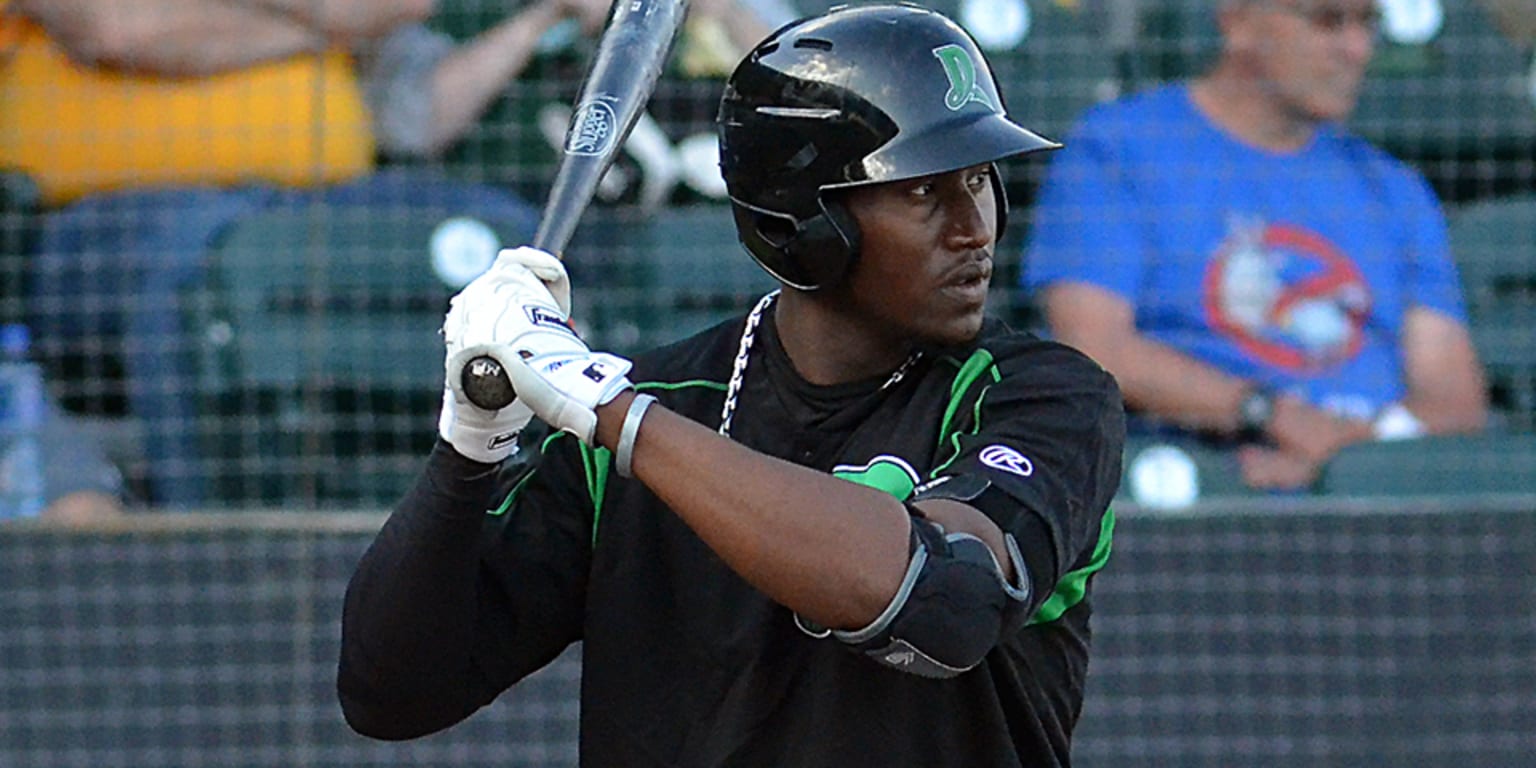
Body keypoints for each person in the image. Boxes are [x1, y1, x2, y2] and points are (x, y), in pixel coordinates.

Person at [337, 5, 1124, 766]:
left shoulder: (1041, 396)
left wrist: (612, 410)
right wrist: (468, 444)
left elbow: (944, 603)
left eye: (980, 180)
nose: (974, 226)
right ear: (798, 220)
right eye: (924, 191)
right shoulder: (660, 406)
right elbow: (392, 693)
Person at [2, 0, 614, 506]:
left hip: (314, 207)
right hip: (101, 229)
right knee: (211, 260)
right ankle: (203, 538)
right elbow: (117, 28)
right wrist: (321, 24)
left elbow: (397, 19)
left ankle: (510, 522)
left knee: (501, 236)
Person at [1021, 0, 1488, 492]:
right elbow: (1092, 347)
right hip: (1199, 480)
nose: (1357, 49)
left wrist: (1348, 460)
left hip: (1375, 494)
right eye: (1327, 21)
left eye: (1367, 23)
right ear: (1238, 21)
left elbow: (1452, 399)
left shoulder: (1395, 189)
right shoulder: (1121, 146)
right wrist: (1268, 413)